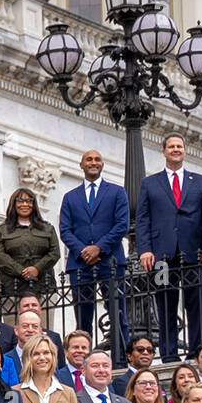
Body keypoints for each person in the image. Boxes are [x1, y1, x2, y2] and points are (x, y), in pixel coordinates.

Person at [136, 132, 202, 362]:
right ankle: (169, 354)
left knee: (196, 303)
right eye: (171, 146)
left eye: (179, 146)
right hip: (161, 255)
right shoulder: (150, 183)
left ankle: (197, 349)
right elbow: (143, 219)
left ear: (185, 150)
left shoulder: (200, 182)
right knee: (165, 303)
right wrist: (145, 250)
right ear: (164, 151)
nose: (176, 149)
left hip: (195, 253)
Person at [59, 149, 130, 360]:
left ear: (103, 165)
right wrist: (83, 250)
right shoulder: (70, 197)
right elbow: (65, 230)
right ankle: (84, 358)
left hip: (110, 260)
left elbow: (122, 225)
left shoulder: (117, 192)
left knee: (117, 309)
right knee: (83, 314)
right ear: (81, 165)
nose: (93, 162)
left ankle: (120, 357)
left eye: (97, 159)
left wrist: (99, 248)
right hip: (80, 264)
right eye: (88, 159)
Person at [0, 187, 60, 298]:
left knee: (43, 316)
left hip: (43, 285)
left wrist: (37, 269)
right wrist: (22, 271)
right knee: (13, 316)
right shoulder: (2, 230)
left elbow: (55, 253)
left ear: (34, 205)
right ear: (13, 204)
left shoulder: (47, 228)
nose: (25, 204)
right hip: (11, 286)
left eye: (29, 201)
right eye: (20, 201)